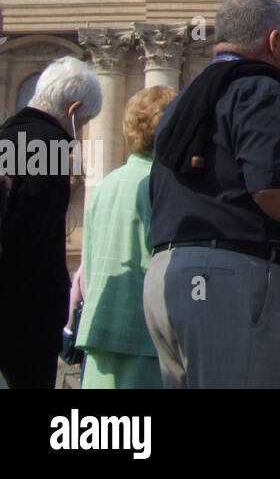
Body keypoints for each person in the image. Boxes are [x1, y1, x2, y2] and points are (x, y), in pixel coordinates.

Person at [144, 0, 280, 389]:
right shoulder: (260, 89)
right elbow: (272, 189)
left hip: (167, 276)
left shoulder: (183, 101)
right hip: (233, 278)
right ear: (274, 42)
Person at [0, 58, 103, 388]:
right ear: (73, 110)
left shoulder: (6, 135)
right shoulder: (52, 144)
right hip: (26, 310)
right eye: (83, 122)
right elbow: (32, 230)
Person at [76, 85, 178, 388]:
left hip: (99, 329)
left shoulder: (107, 184)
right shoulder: (163, 187)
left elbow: (89, 262)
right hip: (145, 334)